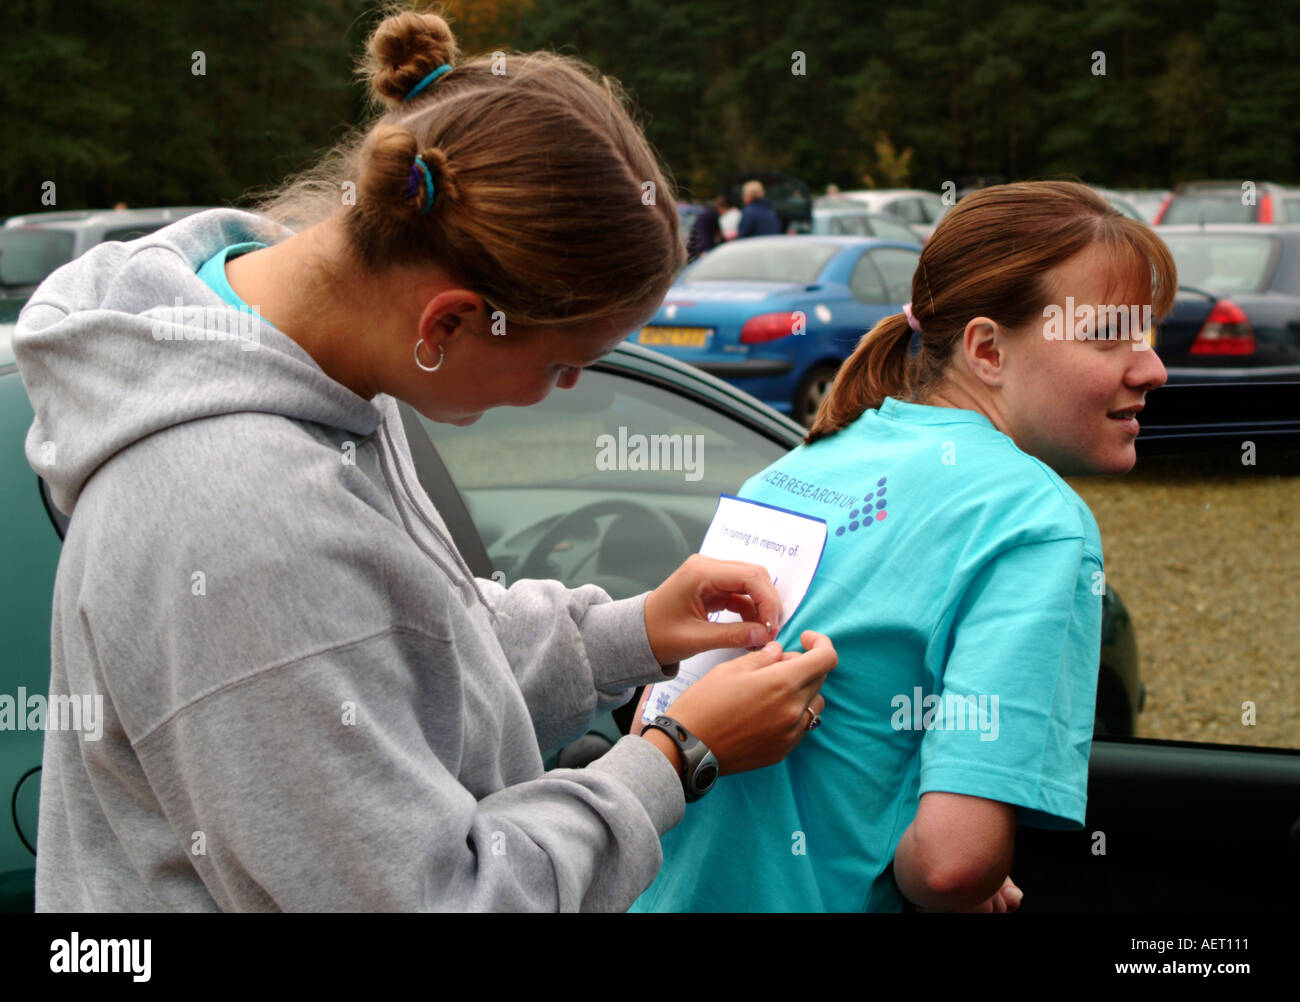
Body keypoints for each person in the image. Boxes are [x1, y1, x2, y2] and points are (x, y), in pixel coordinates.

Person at [13, 5, 836, 912]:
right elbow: (434, 899)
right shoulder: (241, 519)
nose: (564, 391)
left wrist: (630, 632)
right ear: (446, 321)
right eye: (563, 363)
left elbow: (409, 648)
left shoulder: (317, 359)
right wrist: (676, 757)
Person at [630, 180, 1174, 912]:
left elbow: (660, 719)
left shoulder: (795, 467)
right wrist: (968, 875)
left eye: (1150, 335)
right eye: (1109, 336)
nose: (1152, 369)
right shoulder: (1037, 523)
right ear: (986, 349)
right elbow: (950, 866)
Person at [686, 193, 729, 262]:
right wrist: (705, 249)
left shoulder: (710, 214)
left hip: (696, 251)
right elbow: (704, 232)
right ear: (722, 208)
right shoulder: (710, 215)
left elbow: (718, 232)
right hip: (698, 253)